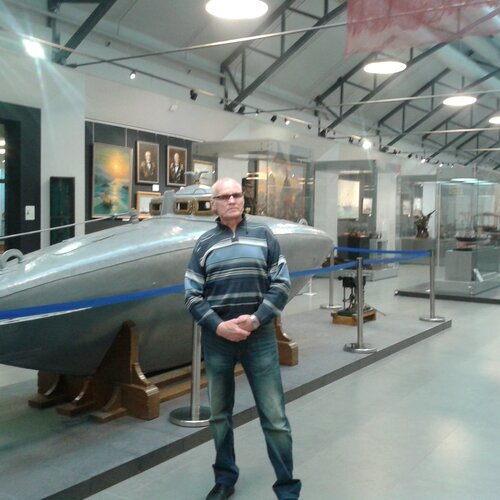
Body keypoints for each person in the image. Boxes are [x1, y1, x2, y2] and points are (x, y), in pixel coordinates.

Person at [185, 178, 301, 500]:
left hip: (259, 337)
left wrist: (255, 319)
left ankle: (287, 489)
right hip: (218, 340)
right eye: (224, 196)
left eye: (236, 195)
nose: (232, 200)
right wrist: (219, 326)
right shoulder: (204, 244)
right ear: (214, 204)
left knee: (275, 416)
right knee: (219, 415)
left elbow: (281, 283)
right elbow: (192, 295)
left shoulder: (264, 236)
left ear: (243, 199)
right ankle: (225, 478)